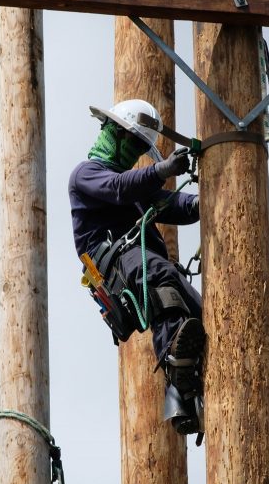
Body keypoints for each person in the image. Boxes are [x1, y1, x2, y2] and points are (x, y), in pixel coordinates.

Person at [68, 99, 206, 436]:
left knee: (201, 311)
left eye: (139, 148)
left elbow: (171, 204)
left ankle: (185, 397)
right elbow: (118, 188)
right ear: (111, 133)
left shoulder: (135, 189)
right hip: (117, 264)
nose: (133, 153)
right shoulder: (86, 174)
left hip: (140, 262)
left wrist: (205, 201)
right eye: (131, 143)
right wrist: (162, 171)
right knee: (158, 274)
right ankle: (175, 363)